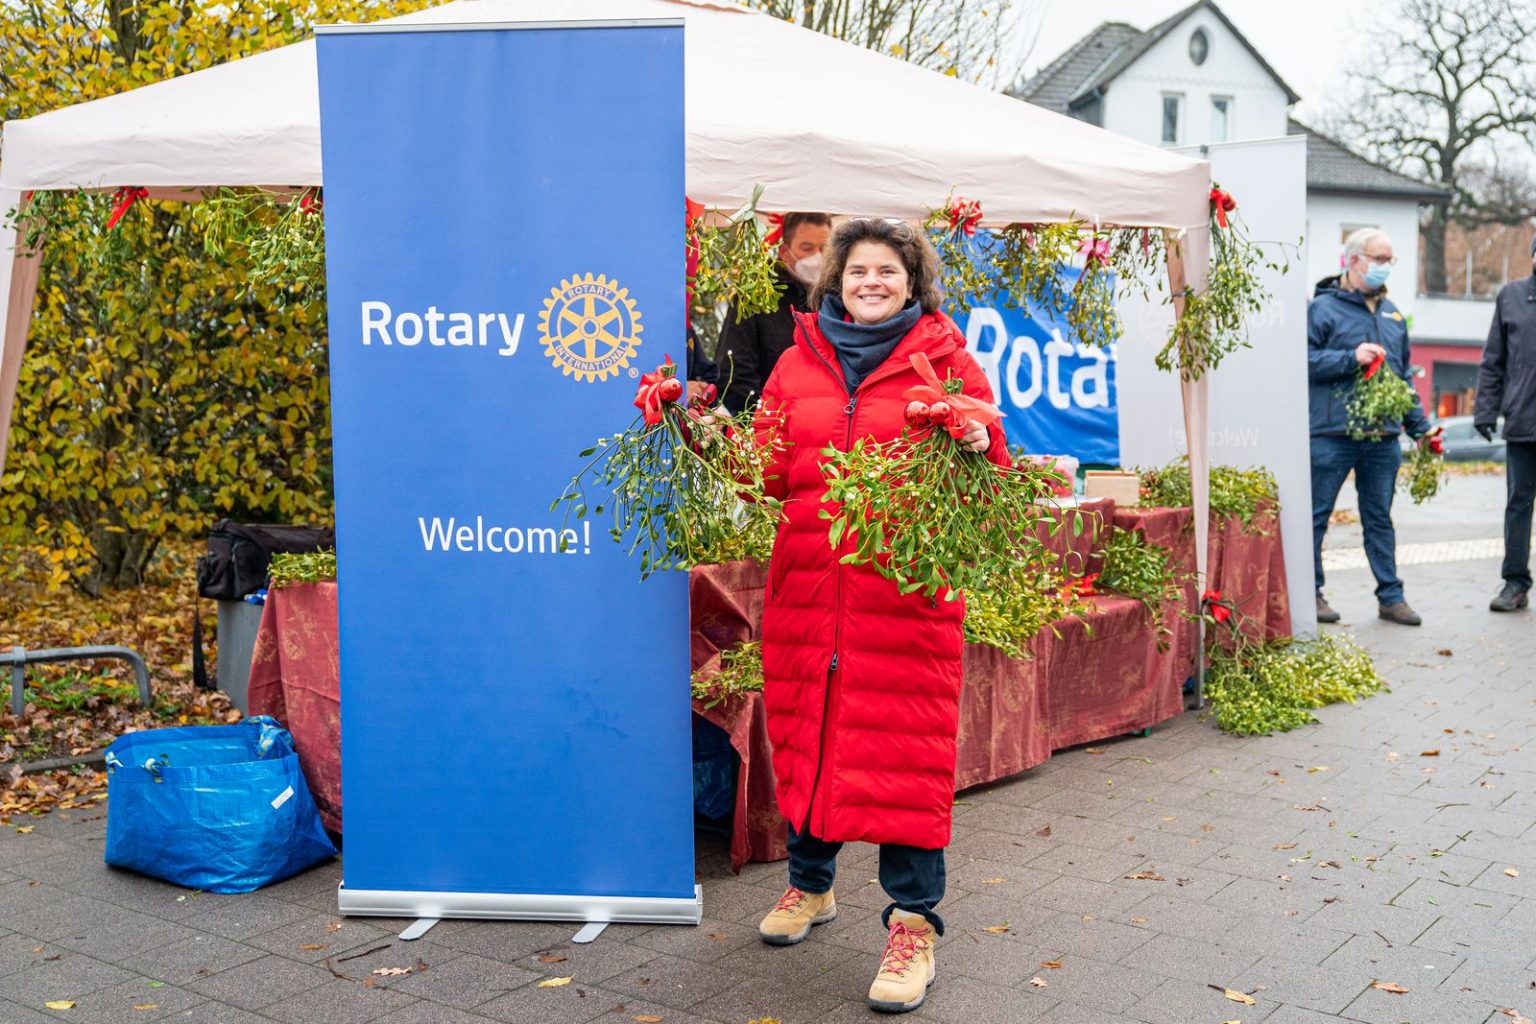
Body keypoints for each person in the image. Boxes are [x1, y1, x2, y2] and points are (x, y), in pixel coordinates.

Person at [749, 218, 1007, 1013]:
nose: (870, 281)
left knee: (902, 759)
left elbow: (992, 459)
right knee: (811, 736)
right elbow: (765, 471)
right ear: (834, 279)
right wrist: (691, 437)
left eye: (886, 271)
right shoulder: (796, 365)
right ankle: (809, 885)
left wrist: (967, 431)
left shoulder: (946, 359)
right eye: (856, 269)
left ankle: (913, 926)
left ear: (911, 280)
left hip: (903, 602)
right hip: (808, 593)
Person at [1308, 227, 1433, 626]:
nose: (1385, 267)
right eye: (1379, 259)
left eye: (1389, 260)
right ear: (1354, 260)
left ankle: (1391, 597)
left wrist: (1421, 430)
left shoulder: (1393, 314)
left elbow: (1403, 379)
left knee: (1379, 517)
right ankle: (1310, 593)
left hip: (1382, 436)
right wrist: (1351, 357)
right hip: (1332, 433)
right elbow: (1304, 362)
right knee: (1317, 515)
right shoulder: (1322, 309)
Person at [1473, 235, 1536, 612]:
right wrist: (1485, 410)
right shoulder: (1510, 297)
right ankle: (1515, 582)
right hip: (1524, 422)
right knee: (1518, 504)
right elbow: (1492, 360)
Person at [717, 212, 832, 413]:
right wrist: (764, 421)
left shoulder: (841, 298)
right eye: (807, 248)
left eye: (824, 249)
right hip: (771, 427)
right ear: (784, 252)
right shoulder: (756, 297)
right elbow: (734, 372)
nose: (817, 257)